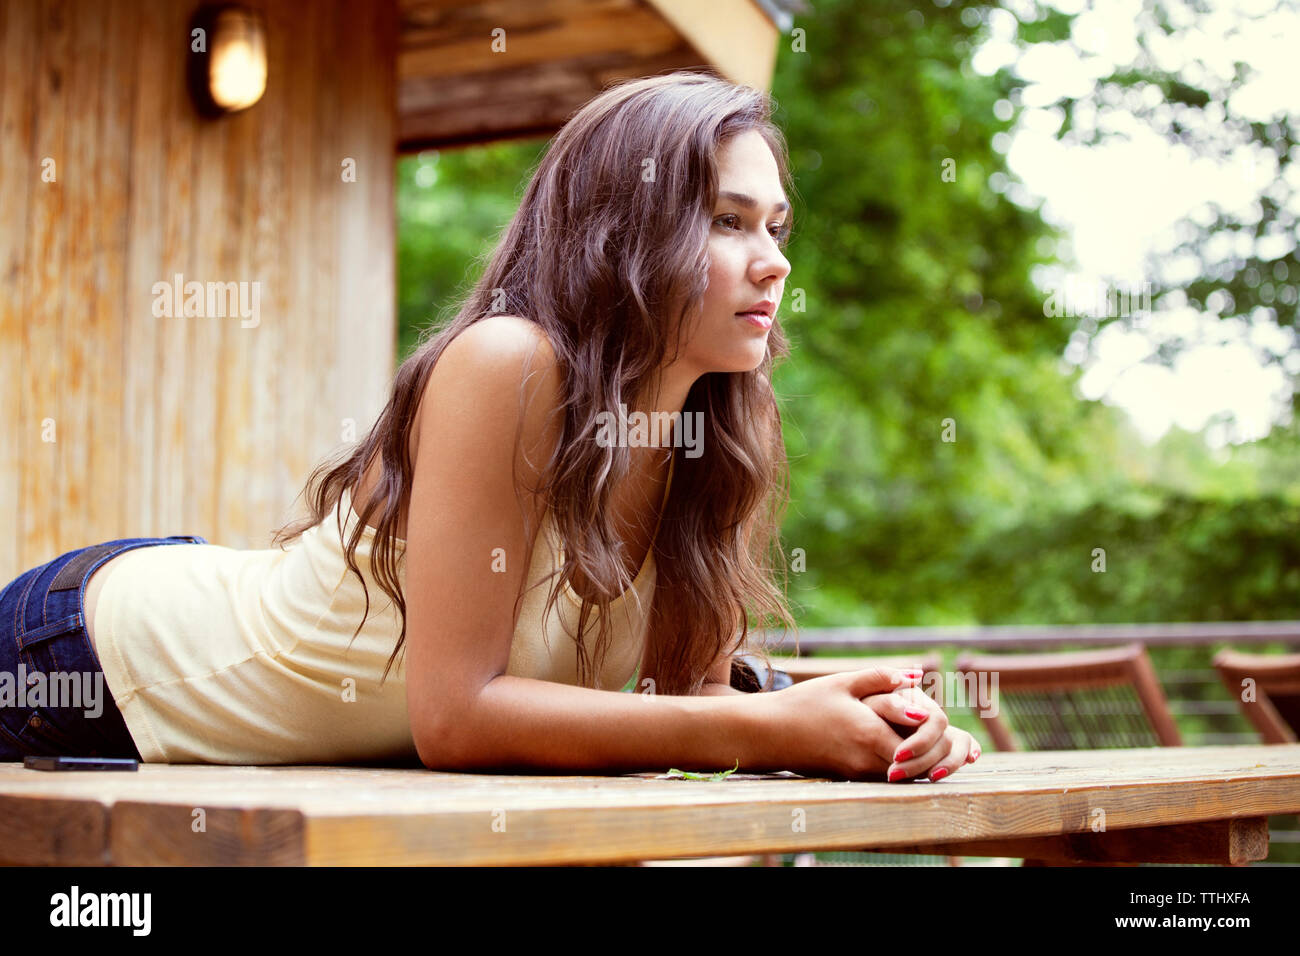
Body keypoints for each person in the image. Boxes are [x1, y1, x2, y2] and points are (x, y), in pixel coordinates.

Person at [0, 71, 979, 781]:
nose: (770, 261)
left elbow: (687, 699)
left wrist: (872, 718)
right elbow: (457, 719)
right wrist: (773, 730)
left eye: (775, 227)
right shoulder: (510, 364)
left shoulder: (712, 429)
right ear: (623, 231)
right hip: (92, 655)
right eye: (726, 221)